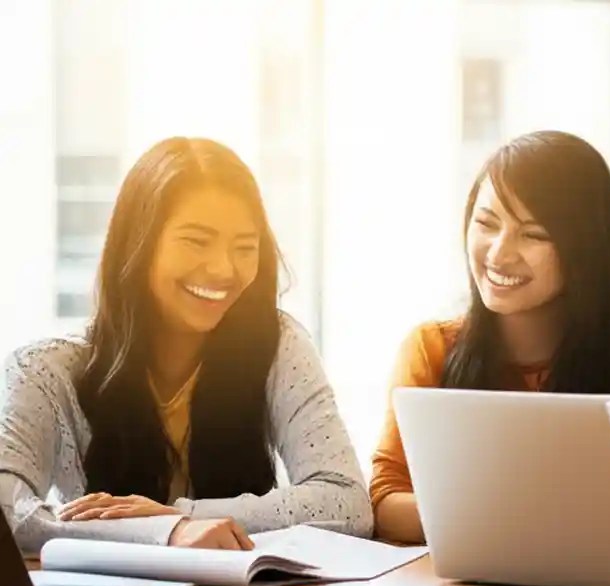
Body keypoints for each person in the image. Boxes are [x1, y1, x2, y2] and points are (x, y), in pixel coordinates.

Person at [369, 130, 610, 544]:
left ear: (583, 246)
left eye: (532, 234)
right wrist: (518, 518)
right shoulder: (432, 349)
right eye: (486, 223)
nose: (498, 253)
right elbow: (385, 503)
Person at [0, 137, 372, 554]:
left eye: (244, 248)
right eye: (197, 241)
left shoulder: (279, 345)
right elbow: (7, 511)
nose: (223, 269)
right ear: (137, 244)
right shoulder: (44, 370)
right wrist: (166, 533)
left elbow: (347, 502)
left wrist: (183, 516)